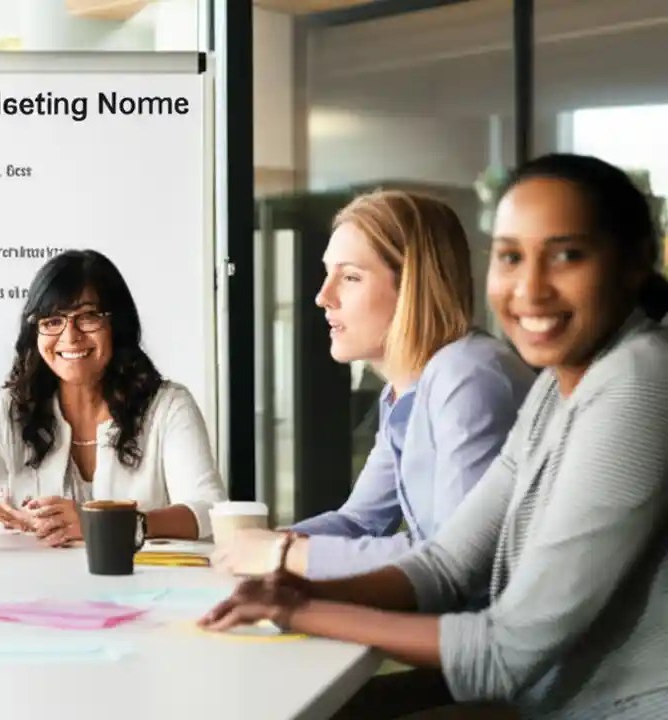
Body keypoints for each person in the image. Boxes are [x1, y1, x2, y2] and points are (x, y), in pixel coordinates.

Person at [201, 154, 668, 719]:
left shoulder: (638, 382)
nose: (530, 288)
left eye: (567, 255)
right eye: (511, 257)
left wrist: (297, 606)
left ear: (635, 263)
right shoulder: (557, 385)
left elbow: (503, 653)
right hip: (543, 699)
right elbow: (446, 563)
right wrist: (297, 589)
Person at [213, 191, 535, 579]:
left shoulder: (468, 376)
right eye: (327, 274)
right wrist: (261, 544)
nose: (323, 297)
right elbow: (359, 522)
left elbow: (456, 559)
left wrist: (282, 553)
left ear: (413, 285)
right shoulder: (403, 393)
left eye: (350, 277)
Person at [0, 249, 227, 545]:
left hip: (140, 577)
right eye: (52, 321)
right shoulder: (4, 409)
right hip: (34, 579)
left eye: (88, 317)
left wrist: (105, 523)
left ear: (117, 325)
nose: (70, 337)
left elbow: (209, 511)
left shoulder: (168, 405)